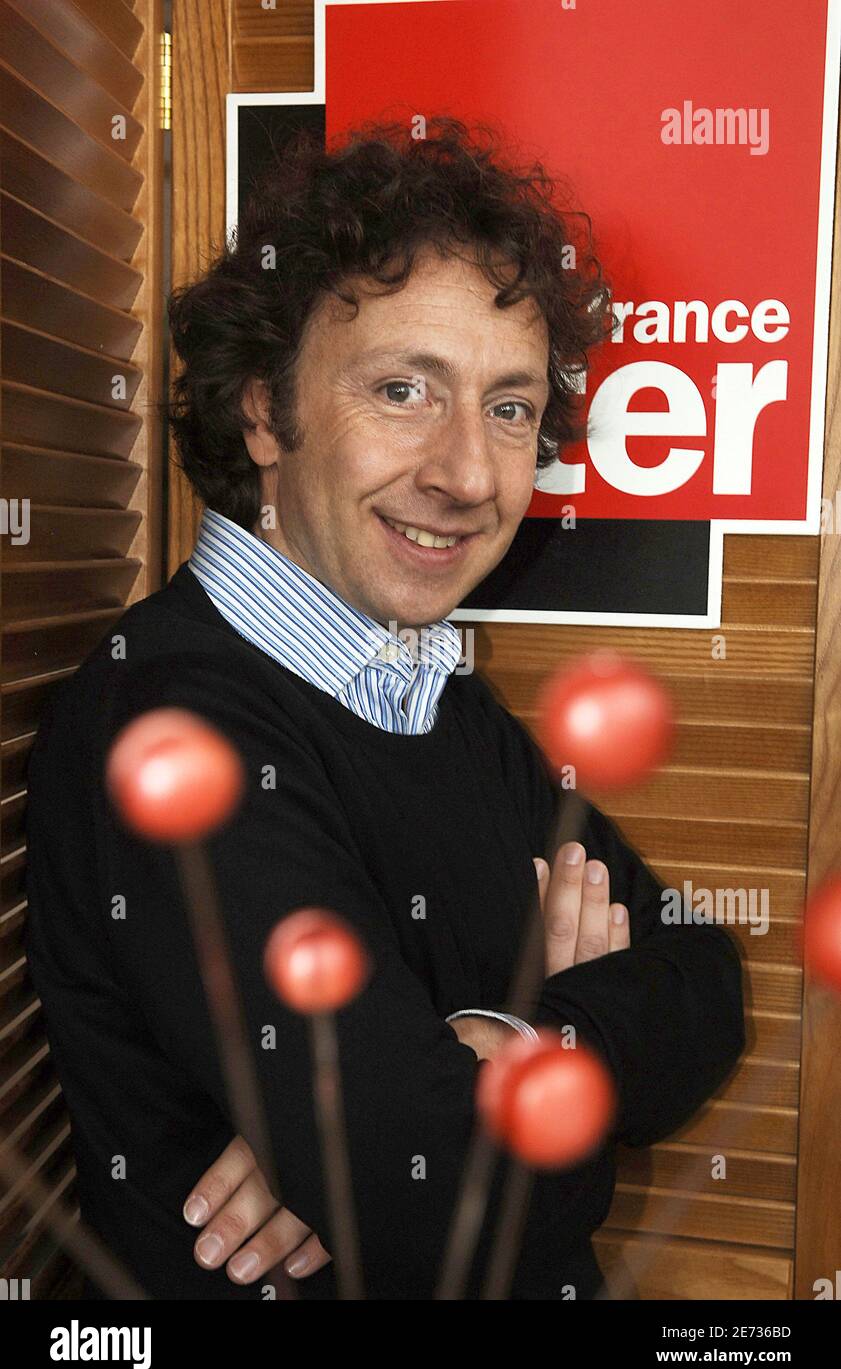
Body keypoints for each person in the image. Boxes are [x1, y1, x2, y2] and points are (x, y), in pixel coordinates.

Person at [24, 117, 745, 1300]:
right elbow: (438, 1206)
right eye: (405, 389)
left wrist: (507, 1045)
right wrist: (553, 1046)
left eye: (509, 408)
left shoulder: (421, 684)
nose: (467, 472)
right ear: (262, 411)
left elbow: (701, 974)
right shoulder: (173, 736)